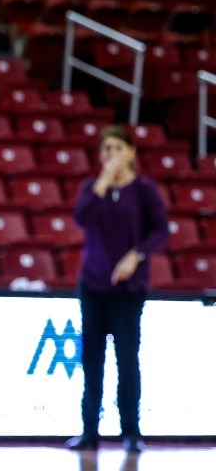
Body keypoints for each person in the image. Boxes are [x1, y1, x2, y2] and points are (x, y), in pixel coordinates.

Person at [67, 124, 167, 452]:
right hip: (93, 285)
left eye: (118, 148)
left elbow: (160, 232)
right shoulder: (91, 188)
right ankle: (89, 431)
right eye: (106, 149)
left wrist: (136, 255)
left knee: (127, 360)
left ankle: (132, 432)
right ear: (100, 155)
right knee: (92, 359)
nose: (112, 155)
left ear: (131, 152)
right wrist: (104, 181)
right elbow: (81, 217)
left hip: (128, 289)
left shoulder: (144, 190)